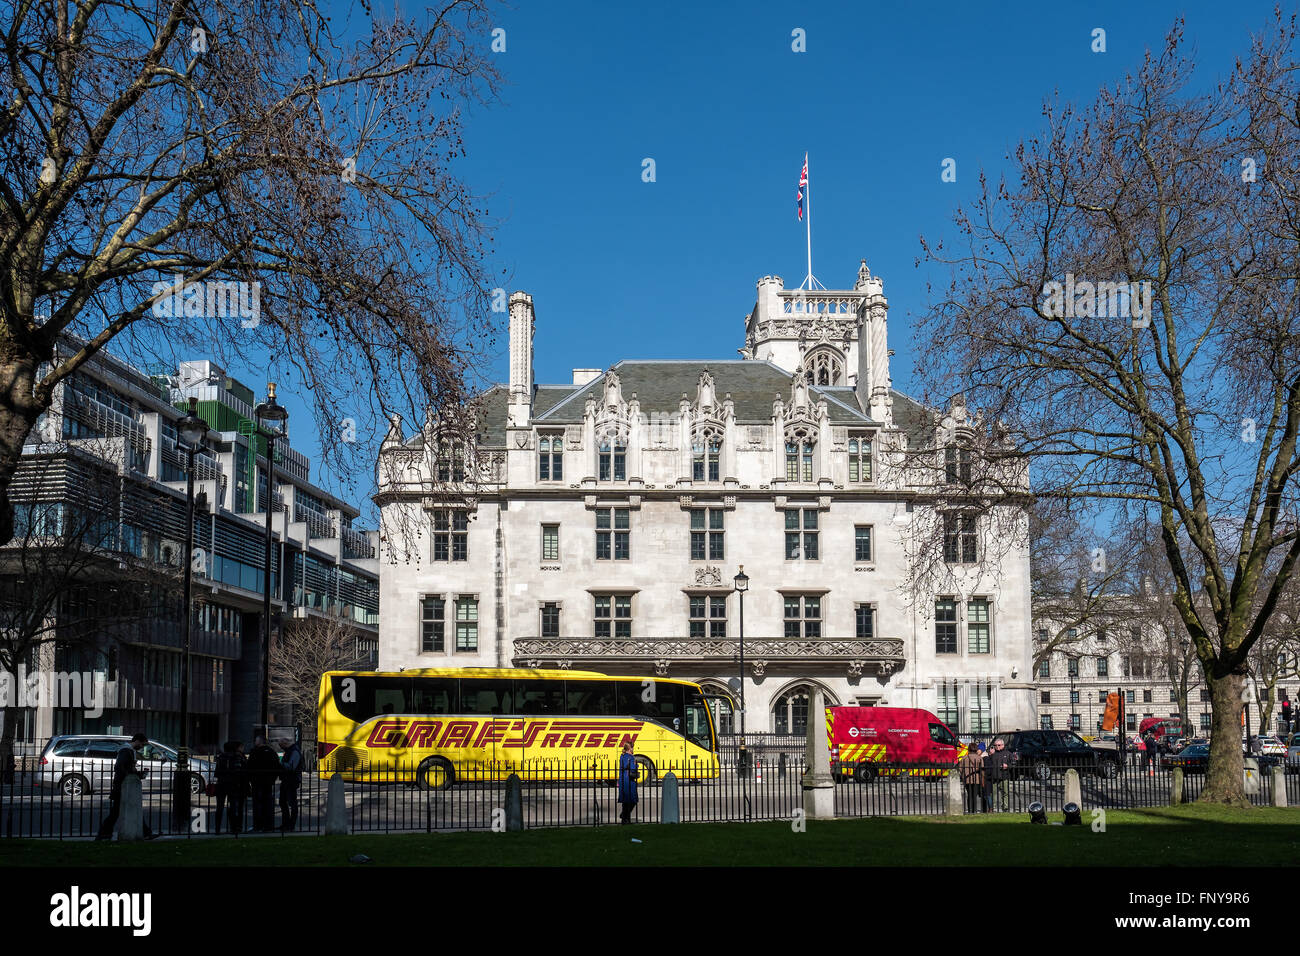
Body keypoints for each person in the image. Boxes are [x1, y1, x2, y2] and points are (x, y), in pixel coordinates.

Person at [96, 733, 155, 841]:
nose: (142, 747)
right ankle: (103, 834)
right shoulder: (125, 751)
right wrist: (131, 775)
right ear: (137, 741)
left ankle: (146, 832)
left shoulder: (128, 750)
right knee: (116, 812)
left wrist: (136, 774)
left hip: (123, 785)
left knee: (121, 811)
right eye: (142, 744)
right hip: (123, 786)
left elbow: (125, 767)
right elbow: (120, 767)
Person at [246, 735, 280, 832]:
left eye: (256, 740)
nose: (254, 742)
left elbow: (249, 767)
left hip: (257, 782)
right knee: (268, 804)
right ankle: (268, 825)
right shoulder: (272, 752)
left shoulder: (255, 752)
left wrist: (251, 779)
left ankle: (258, 825)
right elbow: (276, 766)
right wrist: (272, 779)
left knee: (257, 805)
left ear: (260, 742)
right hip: (268, 782)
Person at [214, 740, 248, 834]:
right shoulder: (237, 757)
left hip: (221, 784)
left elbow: (216, 773)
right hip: (233, 784)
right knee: (233, 807)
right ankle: (233, 828)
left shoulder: (220, 757)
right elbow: (240, 772)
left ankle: (217, 829)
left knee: (219, 807)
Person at [278, 737, 304, 832]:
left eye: (280, 745)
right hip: (287, 780)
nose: (280, 747)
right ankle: (286, 823)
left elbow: (291, 766)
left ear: (285, 743)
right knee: (283, 802)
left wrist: (280, 764)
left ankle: (290, 824)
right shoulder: (291, 750)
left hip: (292, 780)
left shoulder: (294, 751)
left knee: (292, 803)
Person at [987, 737, 1013, 812]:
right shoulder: (992, 754)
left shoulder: (1008, 753)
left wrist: (1008, 766)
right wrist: (990, 755)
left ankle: (1005, 807)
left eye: (999, 745)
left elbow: (1013, 764)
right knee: (993, 793)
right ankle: (993, 807)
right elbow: (987, 764)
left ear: (1003, 745)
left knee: (1005, 793)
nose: (997, 747)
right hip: (994, 777)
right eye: (995, 745)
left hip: (1004, 776)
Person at [958, 744, 985, 813]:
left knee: (969, 795)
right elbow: (982, 770)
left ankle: (970, 810)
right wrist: (982, 778)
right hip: (977, 779)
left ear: (969, 749)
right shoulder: (979, 758)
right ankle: (974, 810)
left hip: (967, 779)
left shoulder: (964, 758)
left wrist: (964, 776)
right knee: (974, 795)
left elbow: (960, 769)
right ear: (976, 749)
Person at [617, 741, 639, 825]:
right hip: (629, 781)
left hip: (623, 780)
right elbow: (632, 768)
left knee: (625, 802)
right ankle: (624, 816)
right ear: (630, 749)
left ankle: (625, 820)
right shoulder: (631, 757)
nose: (633, 749)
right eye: (633, 747)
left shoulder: (622, 756)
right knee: (632, 801)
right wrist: (637, 765)